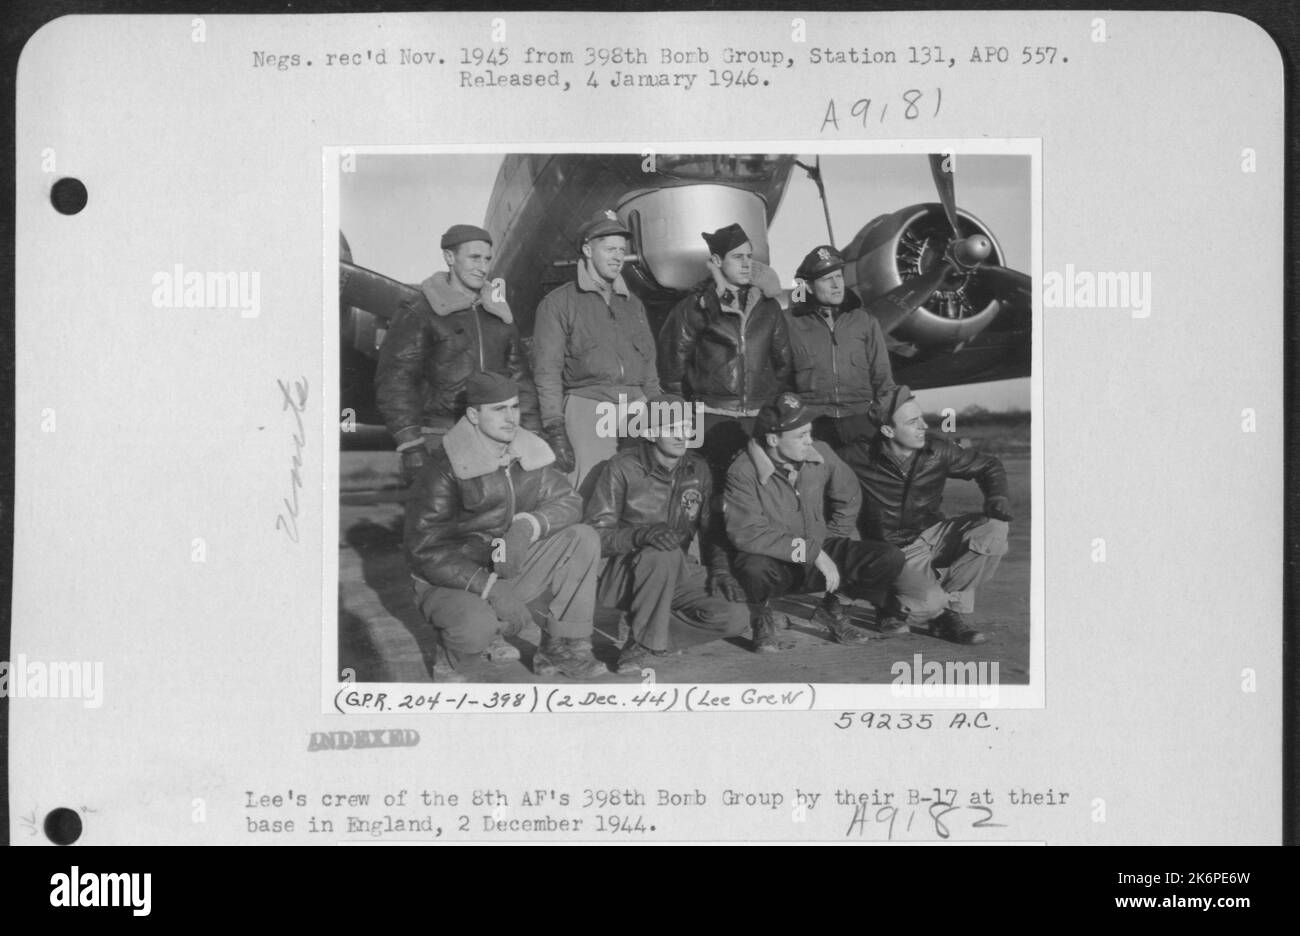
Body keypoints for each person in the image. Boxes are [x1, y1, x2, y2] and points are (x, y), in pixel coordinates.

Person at [404, 372, 606, 680]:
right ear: (473, 415)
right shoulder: (444, 468)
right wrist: (490, 588)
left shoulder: (525, 451)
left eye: (514, 407)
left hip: (506, 568)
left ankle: (562, 647)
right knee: (475, 628)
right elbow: (426, 550)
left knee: (582, 537)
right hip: (450, 581)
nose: (511, 418)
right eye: (499, 409)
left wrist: (527, 526)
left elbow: (570, 501)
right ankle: (452, 655)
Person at [724, 393, 905, 651]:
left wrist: (834, 537)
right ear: (773, 439)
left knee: (889, 558)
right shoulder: (742, 471)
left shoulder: (820, 452)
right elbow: (747, 533)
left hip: (818, 551)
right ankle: (761, 618)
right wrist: (813, 552)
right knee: (752, 568)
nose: (809, 441)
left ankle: (832, 608)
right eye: (800, 436)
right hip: (778, 562)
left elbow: (849, 493)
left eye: (810, 432)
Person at [583, 393, 749, 674]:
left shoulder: (699, 469)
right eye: (672, 428)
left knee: (736, 616)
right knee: (663, 551)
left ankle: (652, 633)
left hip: (677, 571)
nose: (682, 435)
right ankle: (639, 643)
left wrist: (721, 571)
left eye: (686, 427)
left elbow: (711, 531)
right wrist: (640, 535)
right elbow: (594, 535)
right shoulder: (622, 467)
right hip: (630, 573)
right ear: (649, 432)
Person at [838, 386, 1012, 645]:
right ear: (887, 430)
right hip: (896, 550)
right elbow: (815, 465)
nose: (923, 426)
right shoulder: (855, 456)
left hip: (935, 535)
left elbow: (989, 465)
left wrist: (997, 496)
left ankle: (947, 614)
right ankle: (891, 603)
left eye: (921, 417)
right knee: (928, 602)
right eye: (911, 421)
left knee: (994, 530)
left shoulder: (938, 450)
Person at [375, 223, 539, 486]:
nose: (483, 267)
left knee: (493, 521)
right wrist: (410, 444)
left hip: (494, 439)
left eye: (487, 259)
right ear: (449, 258)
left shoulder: (499, 315)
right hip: (440, 437)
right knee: (436, 522)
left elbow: (521, 381)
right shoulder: (419, 311)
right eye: (474, 258)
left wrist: (533, 434)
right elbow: (396, 380)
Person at [531, 209, 661, 491]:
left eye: (622, 250)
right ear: (588, 250)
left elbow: (649, 365)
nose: (618, 257)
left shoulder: (633, 304)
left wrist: (658, 408)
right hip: (588, 406)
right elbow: (547, 371)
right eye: (610, 249)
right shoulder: (558, 303)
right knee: (591, 489)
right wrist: (555, 427)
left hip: (636, 406)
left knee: (640, 492)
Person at [658, 223, 792, 484]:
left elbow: (783, 362)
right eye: (737, 257)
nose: (746, 264)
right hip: (710, 418)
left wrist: (763, 403)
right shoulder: (696, 307)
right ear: (717, 260)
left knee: (759, 489)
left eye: (749, 257)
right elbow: (673, 366)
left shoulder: (769, 308)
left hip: (757, 419)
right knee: (712, 491)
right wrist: (694, 410)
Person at [786, 245, 896, 447]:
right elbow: (780, 380)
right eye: (828, 279)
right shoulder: (790, 324)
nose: (837, 285)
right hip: (813, 426)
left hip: (861, 421)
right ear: (809, 287)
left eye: (839, 277)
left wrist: (875, 419)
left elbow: (883, 380)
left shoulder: (865, 321)